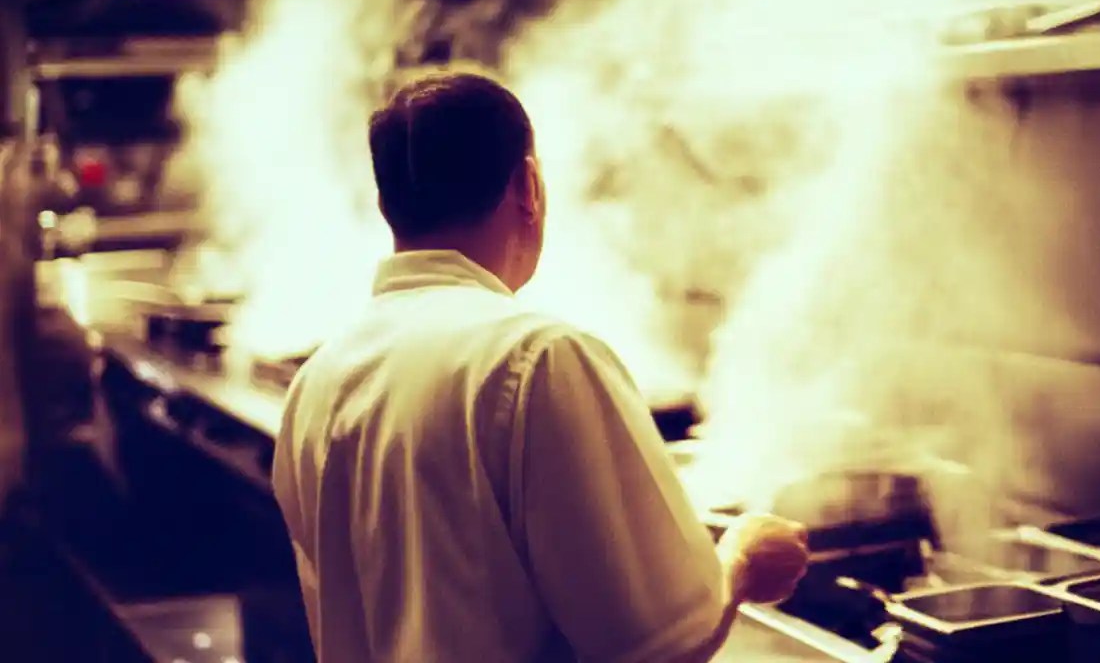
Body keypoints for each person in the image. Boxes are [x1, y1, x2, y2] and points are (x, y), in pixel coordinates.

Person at [271, 69, 810, 663]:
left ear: (385, 206)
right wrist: (740, 562)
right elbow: (658, 641)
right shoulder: (538, 358)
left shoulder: (316, 381)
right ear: (529, 187)